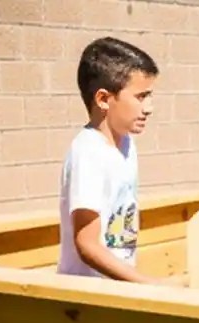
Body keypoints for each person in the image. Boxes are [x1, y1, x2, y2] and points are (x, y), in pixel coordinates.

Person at [57, 37, 162, 283]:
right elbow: (87, 245)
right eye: (141, 97)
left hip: (116, 291)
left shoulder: (126, 144)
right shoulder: (88, 153)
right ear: (103, 99)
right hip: (87, 301)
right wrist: (148, 285)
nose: (149, 108)